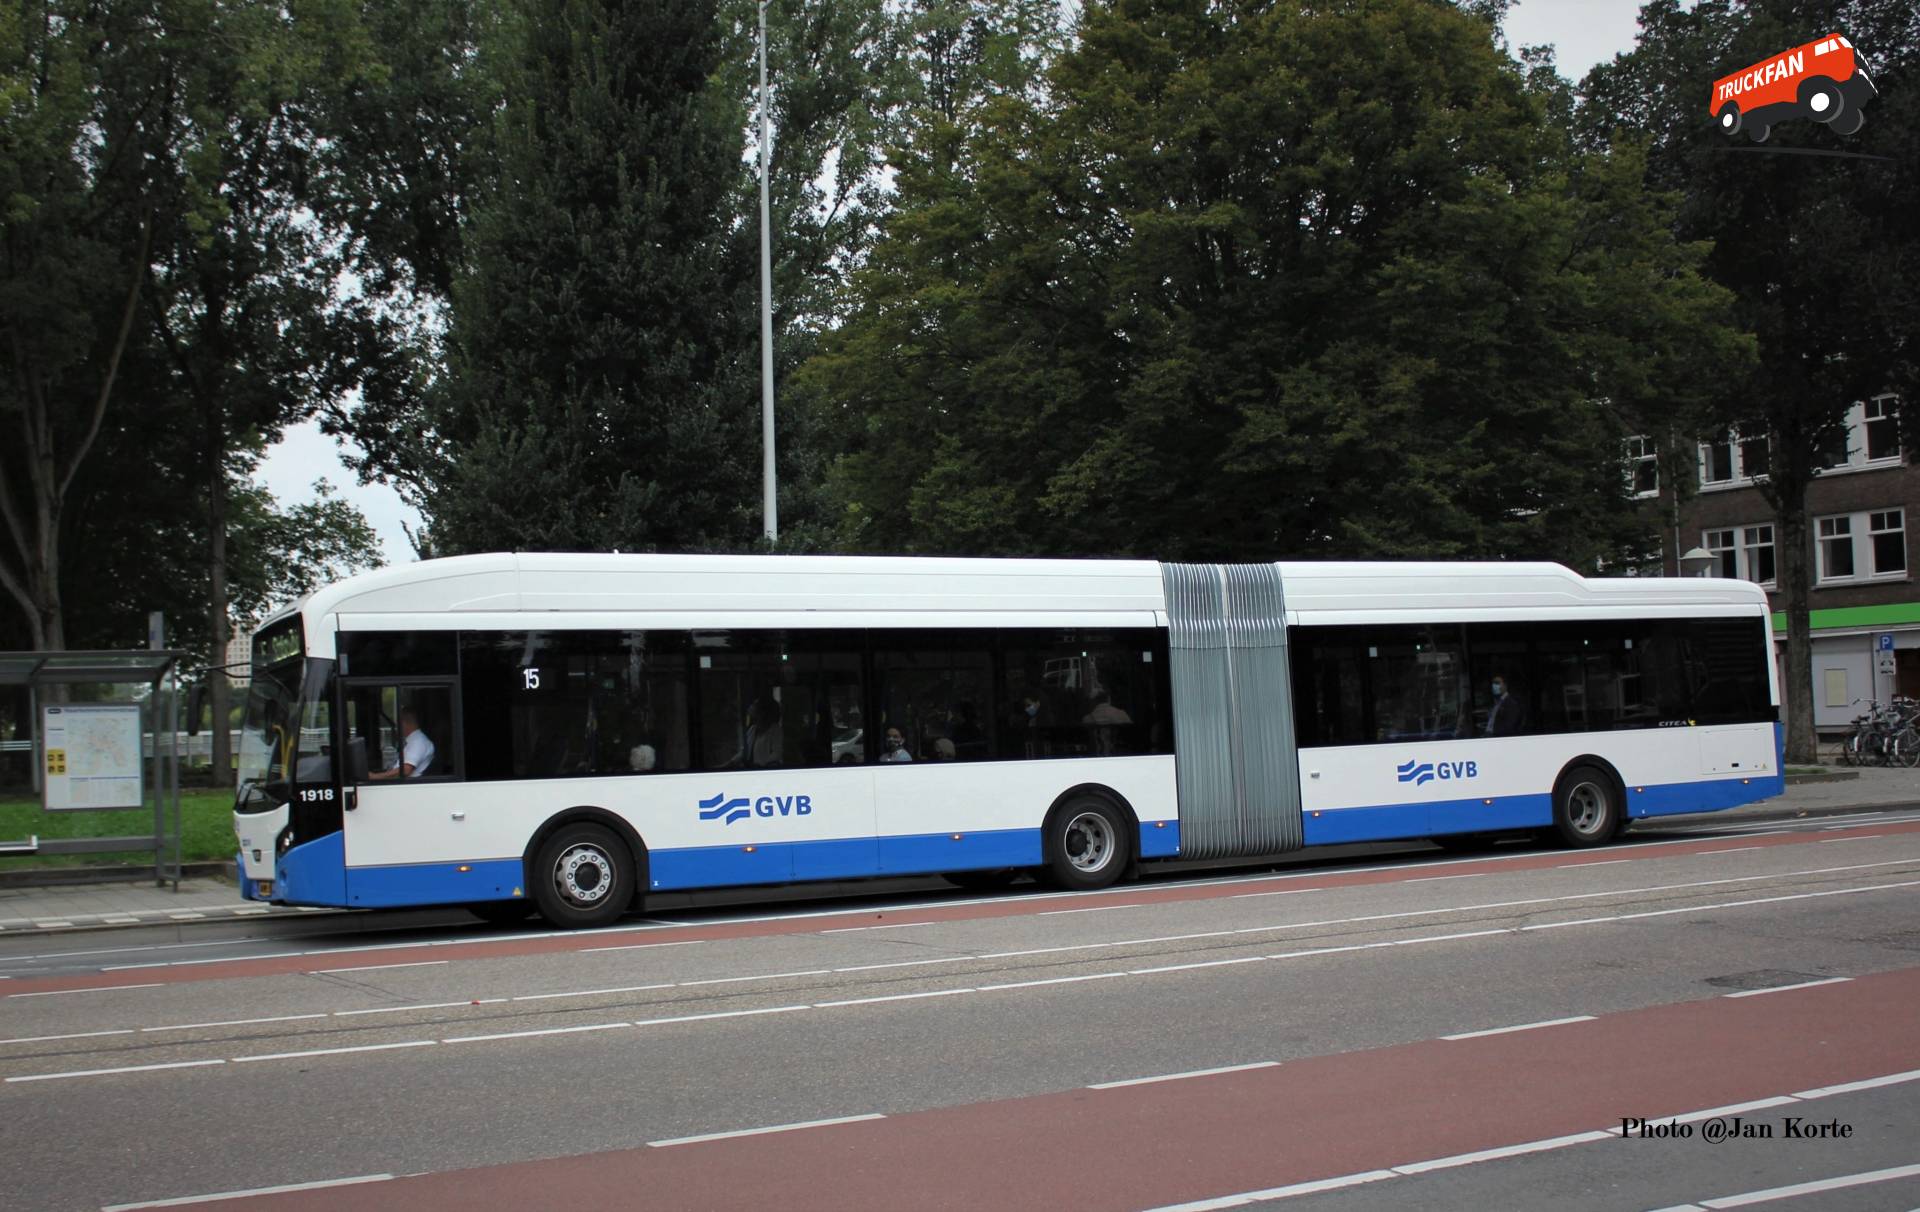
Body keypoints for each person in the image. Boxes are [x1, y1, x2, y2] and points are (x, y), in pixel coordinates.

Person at [369, 708, 435, 779]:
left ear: (403, 723)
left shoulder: (418, 742)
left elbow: (405, 770)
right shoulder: (411, 741)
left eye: (398, 723)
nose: (397, 727)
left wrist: (376, 776)